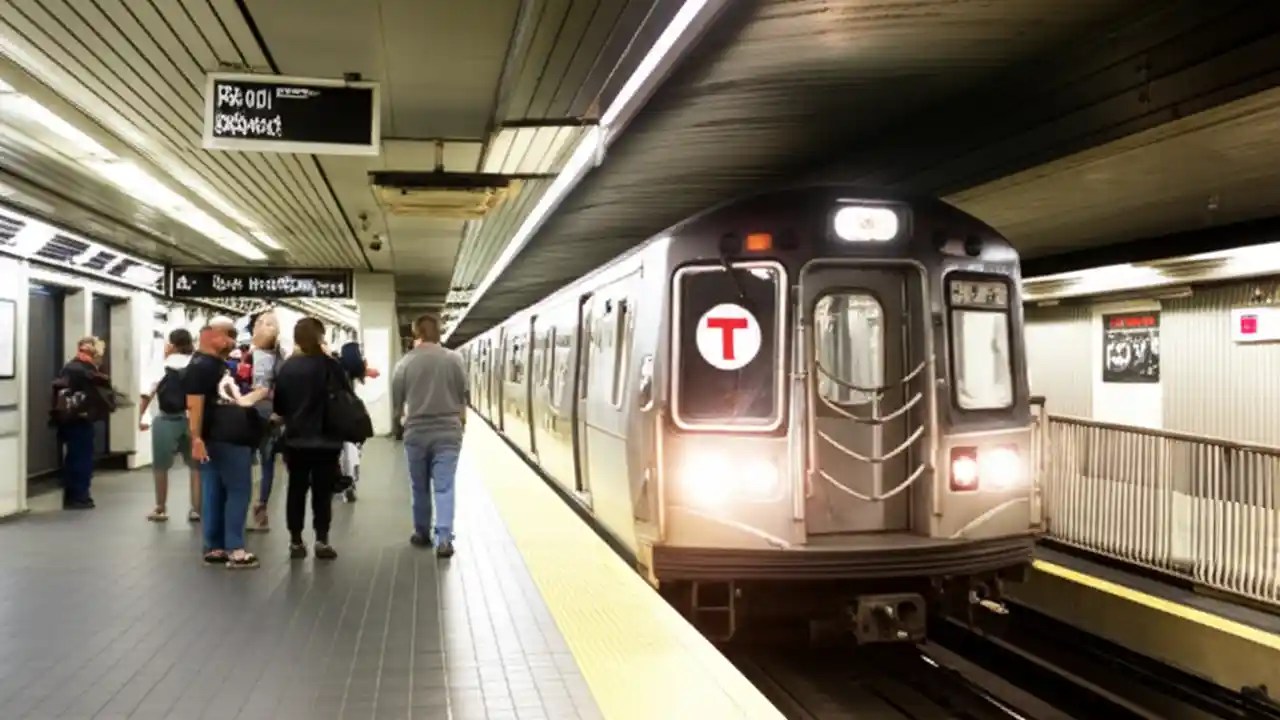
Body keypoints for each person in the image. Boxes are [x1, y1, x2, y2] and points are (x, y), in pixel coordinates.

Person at [185, 324, 268, 569]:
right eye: (228, 336)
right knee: (238, 490)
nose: (233, 342)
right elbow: (194, 403)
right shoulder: (204, 367)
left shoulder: (208, 365)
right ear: (212, 338)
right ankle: (235, 549)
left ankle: (215, 547)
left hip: (213, 437)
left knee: (214, 490)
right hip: (226, 436)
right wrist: (195, 437)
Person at [391, 314, 468, 558]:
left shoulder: (405, 363)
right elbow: (463, 394)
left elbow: (397, 402)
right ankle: (444, 539)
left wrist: (399, 422)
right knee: (444, 487)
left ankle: (422, 533)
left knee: (419, 486)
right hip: (448, 431)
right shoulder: (454, 360)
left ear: (416, 334)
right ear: (439, 333)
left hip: (416, 432)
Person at [272, 317, 346, 559]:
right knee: (322, 493)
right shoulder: (331, 366)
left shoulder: (288, 368)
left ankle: (295, 541)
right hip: (327, 440)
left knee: (296, 490)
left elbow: (280, 406)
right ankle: (322, 540)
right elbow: (346, 398)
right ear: (321, 337)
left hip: (295, 441)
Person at [138, 328, 200, 522]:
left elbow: (148, 393)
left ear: (172, 345)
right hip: (192, 419)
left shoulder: (161, 366)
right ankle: (196, 509)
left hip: (166, 419)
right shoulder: (196, 365)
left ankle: (161, 507)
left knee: (160, 467)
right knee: (196, 466)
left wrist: (140, 417)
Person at [50, 337, 115, 509]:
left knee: (72, 458)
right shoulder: (86, 371)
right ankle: (80, 497)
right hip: (79, 419)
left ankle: (72, 496)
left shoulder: (69, 367)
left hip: (67, 419)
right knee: (82, 459)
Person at [243, 310, 284, 532]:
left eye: (270, 324)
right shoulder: (278, 358)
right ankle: (259, 509)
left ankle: (258, 508)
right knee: (263, 464)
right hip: (263, 416)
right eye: (261, 323)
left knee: (255, 463)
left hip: (260, 416)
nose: (265, 327)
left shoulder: (255, 357)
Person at [336, 341, 381, 503]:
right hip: (348, 416)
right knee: (352, 448)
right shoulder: (350, 369)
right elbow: (366, 372)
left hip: (335, 417)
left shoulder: (338, 366)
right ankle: (349, 482)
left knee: (339, 452)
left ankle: (342, 480)